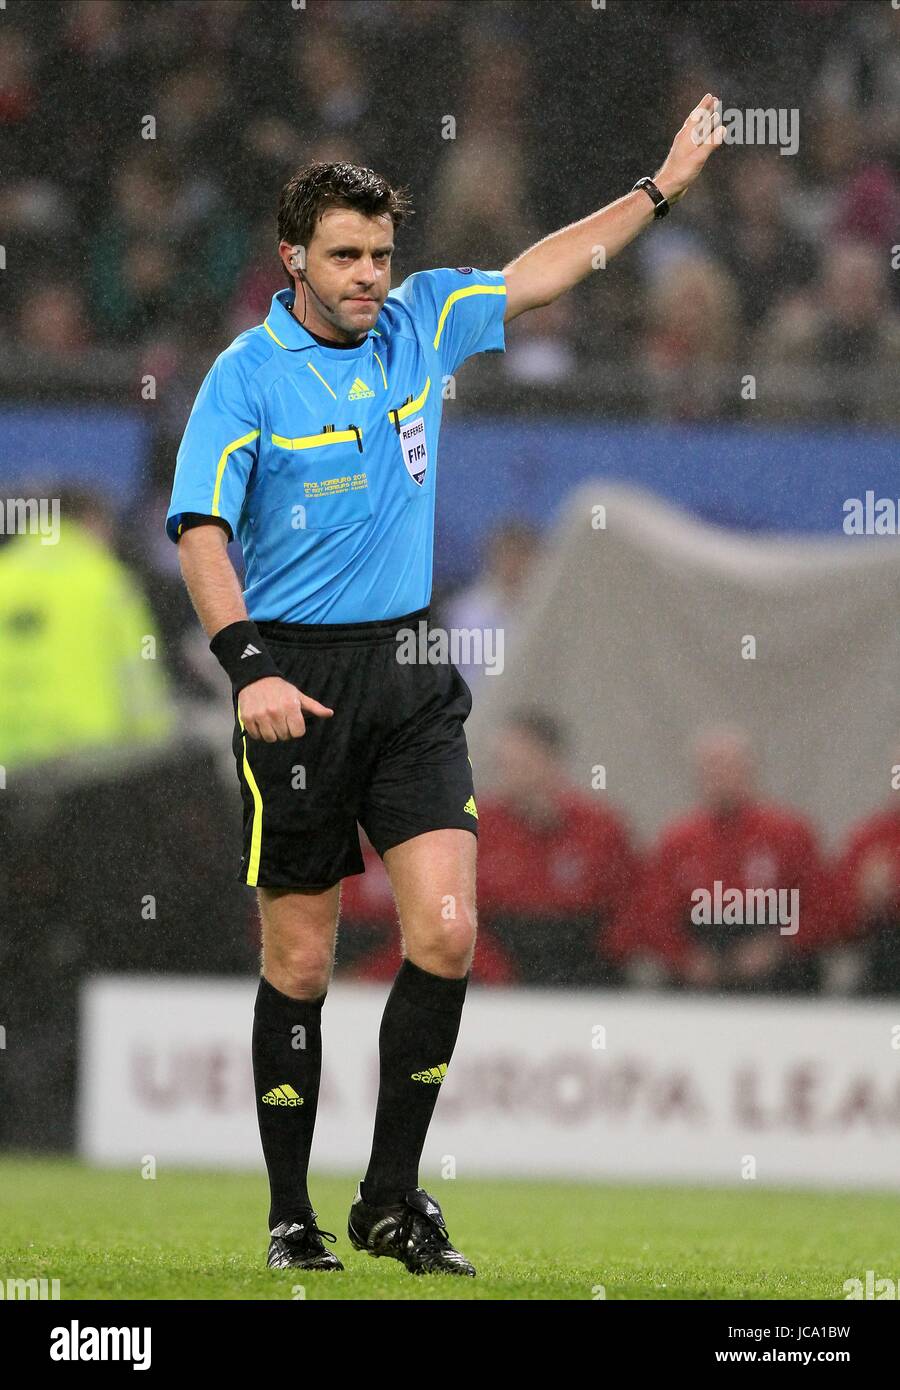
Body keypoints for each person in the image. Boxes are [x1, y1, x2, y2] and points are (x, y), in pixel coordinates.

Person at [166, 103, 723, 1277]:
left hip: (413, 668)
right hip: (295, 678)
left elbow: (545, 270)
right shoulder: (246, 378)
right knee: (304, 963)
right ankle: (287, 1214)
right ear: (294, 261)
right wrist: (248, 667)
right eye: (345, 257)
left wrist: (662, 185)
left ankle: (388, 1197)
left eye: (380, 255)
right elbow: (202, 532)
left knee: (451, 931)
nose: (370, 277)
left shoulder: (422, 321)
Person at [613, 727, 828, 992]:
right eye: (710, 769)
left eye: (728, 767)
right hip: (701, 950)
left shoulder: (789, 833)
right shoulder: (678, 840)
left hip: (773, 954)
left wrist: (780, 945)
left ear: (750, 771)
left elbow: (821, 906)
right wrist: (685, 957)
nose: (719, 777)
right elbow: (654, 913)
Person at [476, 711, 638, 987]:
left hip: (583, 962)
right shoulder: (480, 827)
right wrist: (494, 973)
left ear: (549, 760)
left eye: (518, 762)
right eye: (503, 764)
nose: (507, 773)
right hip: (503, 958)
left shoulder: (600, 826)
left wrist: (602, 964)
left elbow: (629, 903)